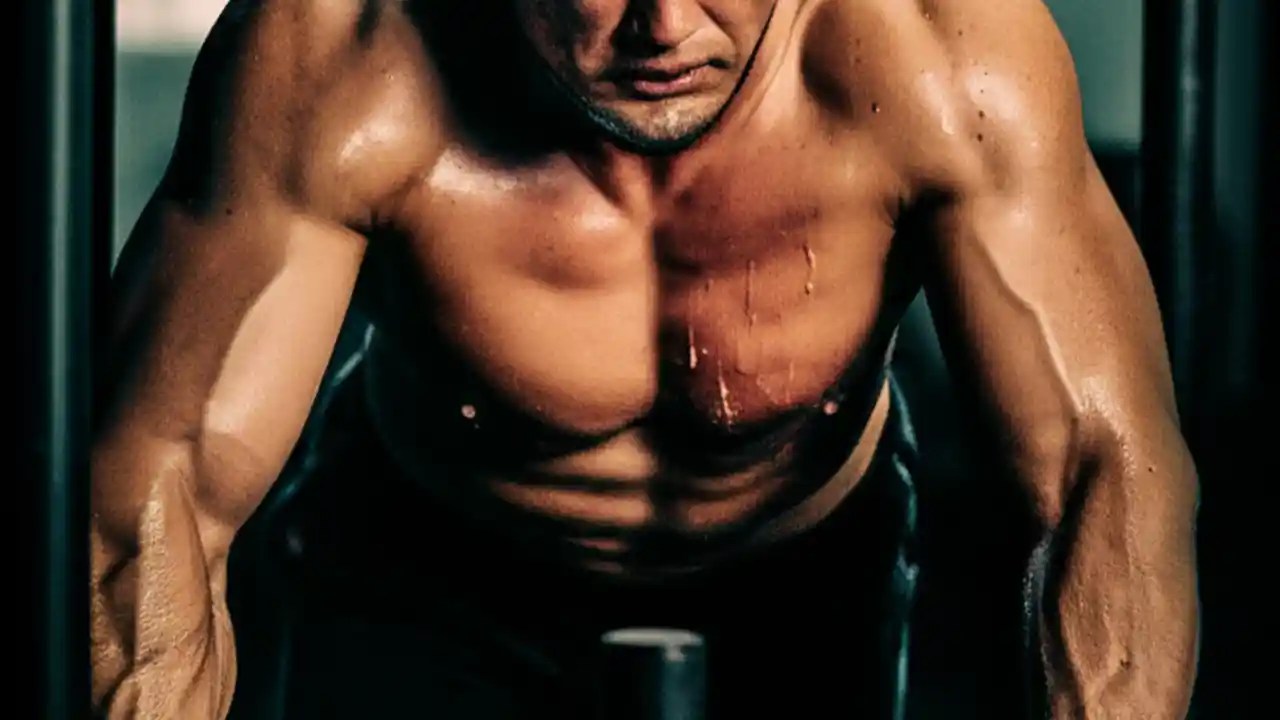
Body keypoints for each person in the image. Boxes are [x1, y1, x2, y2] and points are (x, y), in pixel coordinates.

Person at [90, 0, 1201, 718]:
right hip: (427, 574)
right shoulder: (340, 57)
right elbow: (159, 482)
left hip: (802, 583)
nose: (662, 25)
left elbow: (1101, 474)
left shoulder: (943, 57)